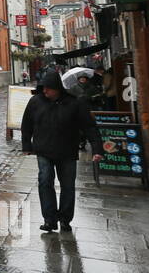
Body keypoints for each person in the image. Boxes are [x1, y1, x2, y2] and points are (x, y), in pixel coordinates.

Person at [21, 69, 102, 234]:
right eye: (43, 87)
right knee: (45, 181)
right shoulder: (36, 101)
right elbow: (26, 124)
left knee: (67, 186)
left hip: (67, 150)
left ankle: (65, 219)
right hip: (43, 149)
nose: (45, 91)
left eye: (48, 88)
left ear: (57, 88)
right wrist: (26, 146)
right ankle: (49, 219)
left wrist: (97, 148)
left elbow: (89, 126)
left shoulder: (75, 103)